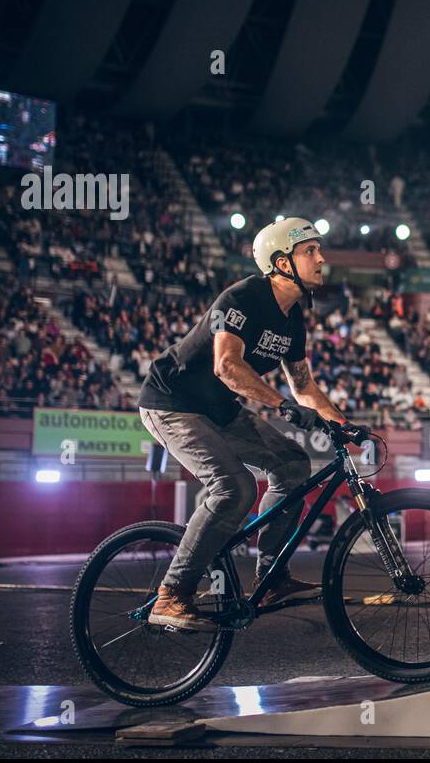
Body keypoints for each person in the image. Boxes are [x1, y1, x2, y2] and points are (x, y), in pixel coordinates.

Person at [137, 217, 363, 631]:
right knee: (233, 486)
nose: (321, 258)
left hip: (218, 408)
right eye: (309, 251)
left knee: (293, 466)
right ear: (280, 262)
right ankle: (172, 594)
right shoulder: (242, 298)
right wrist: (281, 406)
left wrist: (343, 425)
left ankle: (271, 575)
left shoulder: (293, 318)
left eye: (319, 250)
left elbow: (304, 386)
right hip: (172, 403)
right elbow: (226, 365)